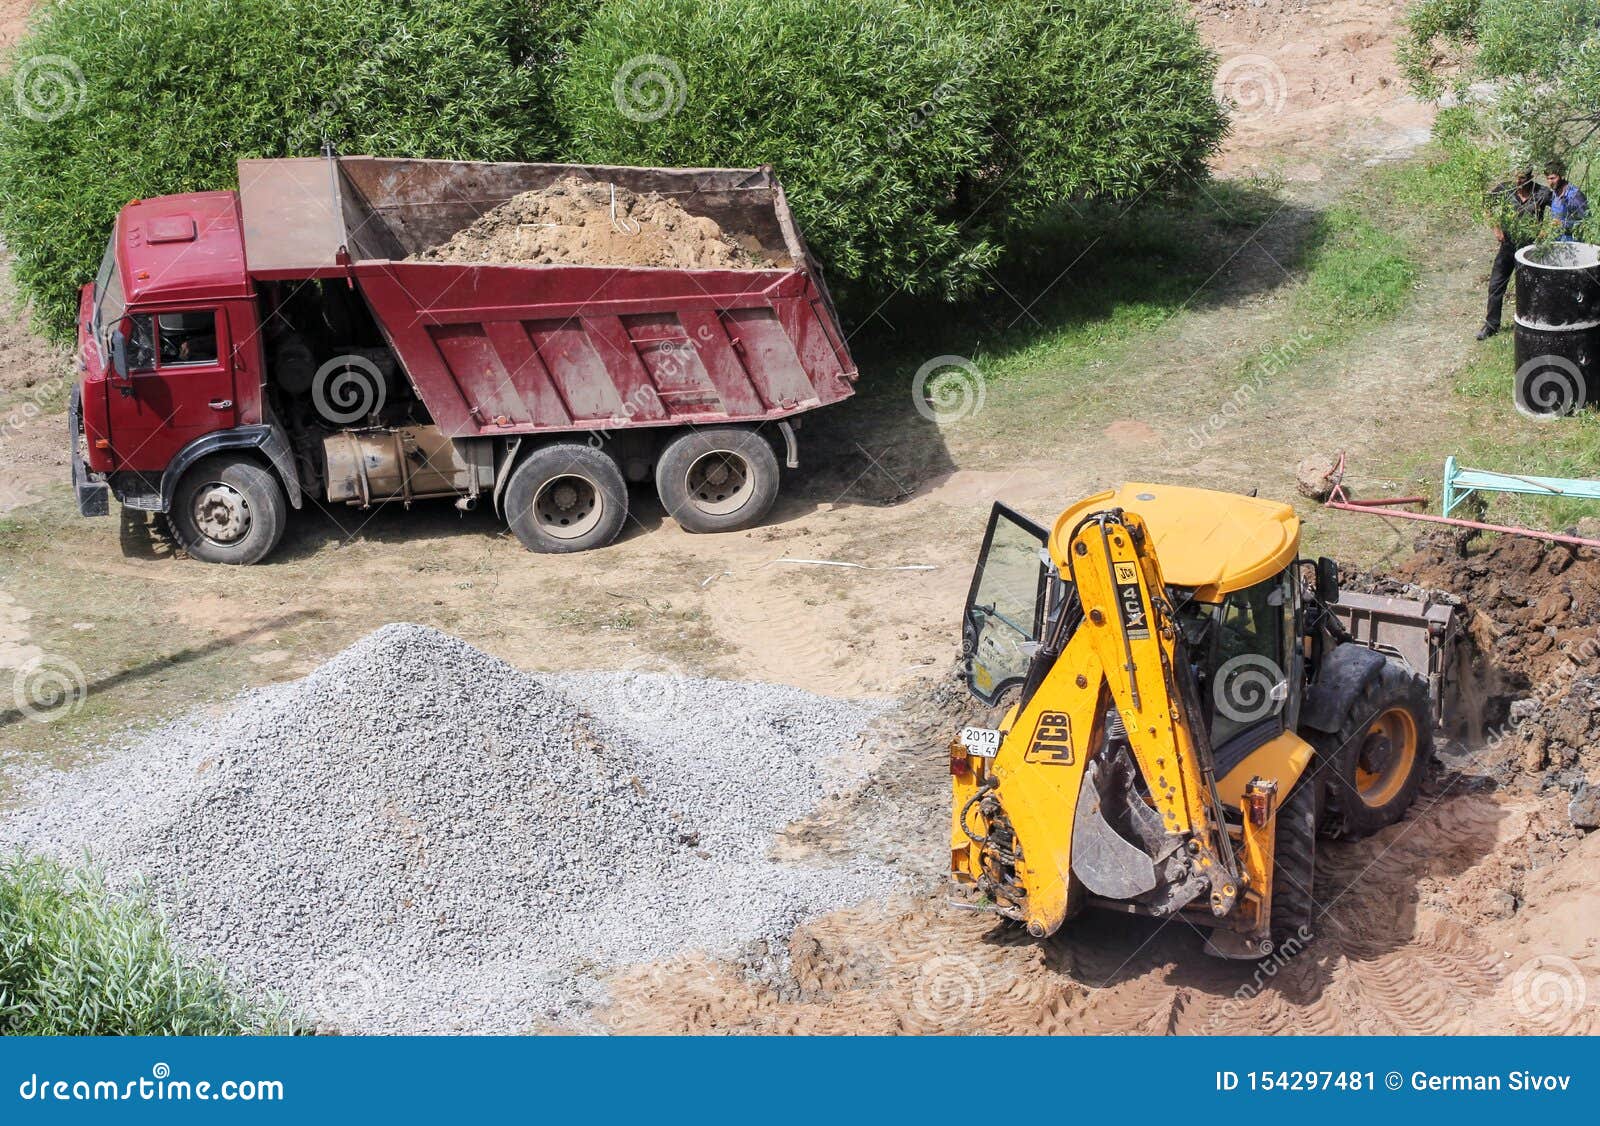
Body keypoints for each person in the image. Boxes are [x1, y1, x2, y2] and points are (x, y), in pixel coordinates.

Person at [1479, 169, 1550, 341]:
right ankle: (1491, 325)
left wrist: (1546, 231)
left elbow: (1558, 209)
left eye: (1522, 179)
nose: (1518, 182)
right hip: (1508, 246)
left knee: (1532, 287)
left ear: (1530, 178)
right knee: (1496, 285)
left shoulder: (1541, 193)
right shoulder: (1506, 189)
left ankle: (1533, 323)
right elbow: (1485, 203)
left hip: (1530, 249)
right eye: (1516, 178)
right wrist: (1496, 228)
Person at [1545, 159, 1589, 242]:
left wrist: (1563, 224)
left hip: (1574, 244)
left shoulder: (1574, 195)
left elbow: (1587, 221)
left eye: (1553, 178)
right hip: (1557, 241)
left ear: (1562, 176)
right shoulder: (1555, 193)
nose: (1550, 182)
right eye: (1548, 179)